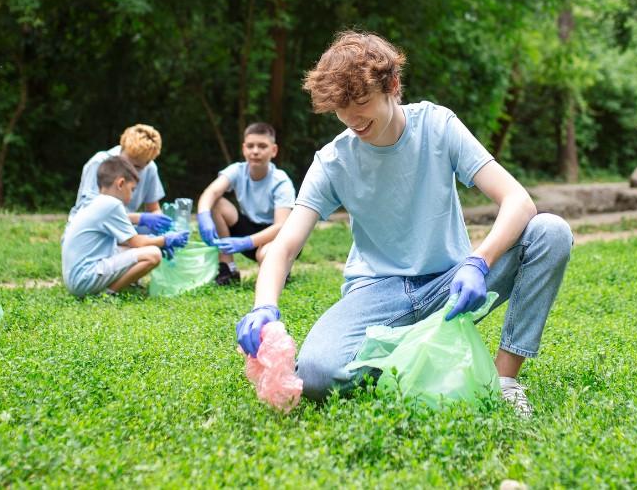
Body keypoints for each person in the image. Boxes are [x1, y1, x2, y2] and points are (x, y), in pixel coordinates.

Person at [234, 31, 573, 416]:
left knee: (550, 232)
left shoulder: (437, 126)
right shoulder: (333, 161)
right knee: (315, 376)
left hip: (451, 282)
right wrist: (264, 307)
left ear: (392, 85)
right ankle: (412, 354)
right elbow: (285, 245)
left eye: (360, 102)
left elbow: (517, 200)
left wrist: (479, 262)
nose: (352, 120)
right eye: (341, 110)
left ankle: (504, 379)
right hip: (377, 293)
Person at [61, 156, 189, 298]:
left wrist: (152, 234)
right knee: (153, 254)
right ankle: (107, 294)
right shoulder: (112, 205)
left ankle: (107, 289)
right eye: (132, 189)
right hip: (83, 279)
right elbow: (137, 242)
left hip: (75, 278)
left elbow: (126, 242)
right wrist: (165, 240)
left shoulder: (96, 202)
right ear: (121, 183)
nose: (132, 194)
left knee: (133, 249)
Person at [196, 122, 296, 285]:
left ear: (274, 150)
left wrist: (246, 242)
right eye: (250, 146)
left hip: (277, 236)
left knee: (264, 255)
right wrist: (203, 216)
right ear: (244, 149)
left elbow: (281, 226)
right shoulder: (237, 170)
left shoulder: (281, 181)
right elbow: (211, 192)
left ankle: (282, 266)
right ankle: (228, 268)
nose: (255, 151)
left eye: (262, 146)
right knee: (215, 203)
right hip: (249, 228)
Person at [68, 124, 172, 235]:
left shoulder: (150, 168)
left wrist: (160, 223)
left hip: (124, 227)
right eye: (130, 163)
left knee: (156, 236)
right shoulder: (99, 162)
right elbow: (91, 213)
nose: (133, 171)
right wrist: (139, 218)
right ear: (123, 148)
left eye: (139, 168)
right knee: (150, 249)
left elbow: (153, 209)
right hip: (93, 229)